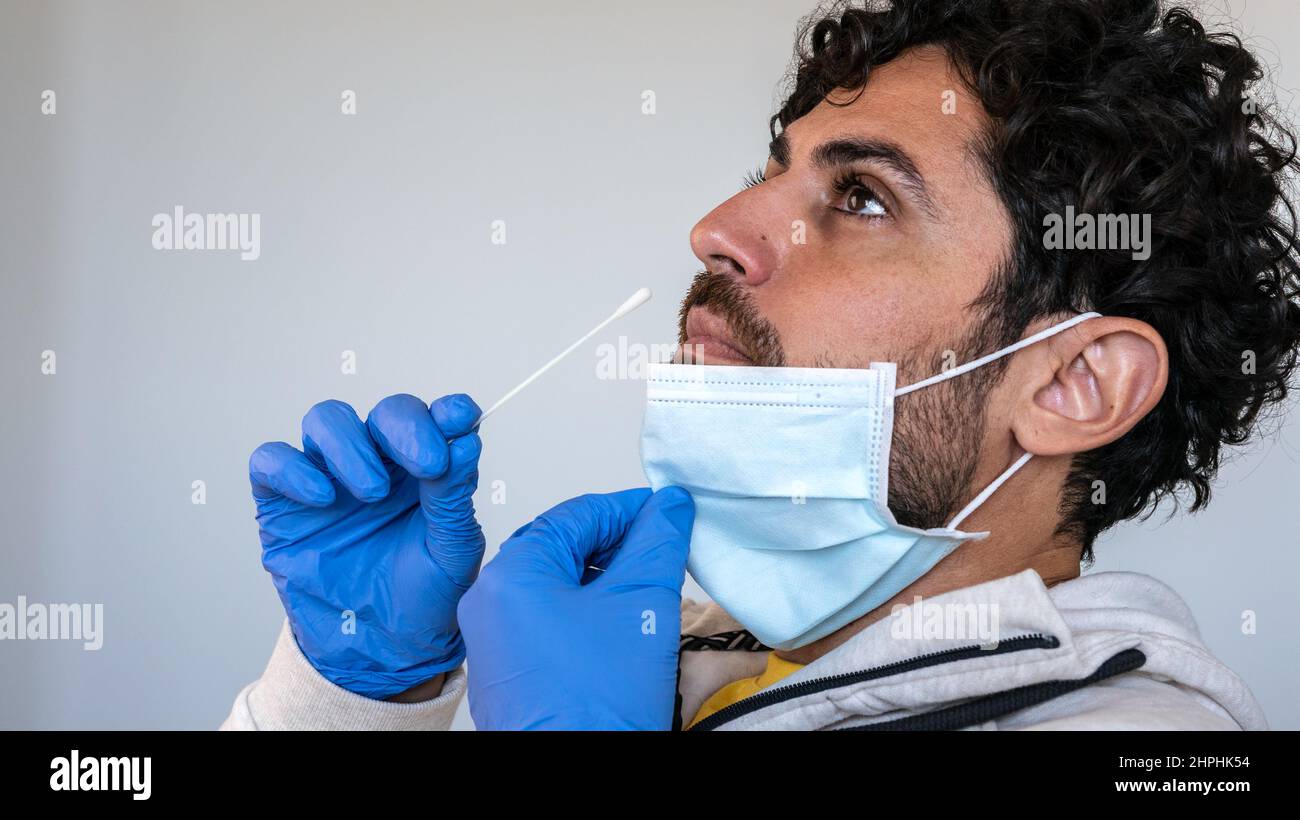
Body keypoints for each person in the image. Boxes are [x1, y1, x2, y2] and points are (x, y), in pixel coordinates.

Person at [223, 0, 1299, 730]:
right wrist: (355, 690)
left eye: (862, 197)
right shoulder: (657, 657)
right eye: (768, 173)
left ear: (1071, 385)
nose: (716, 228)